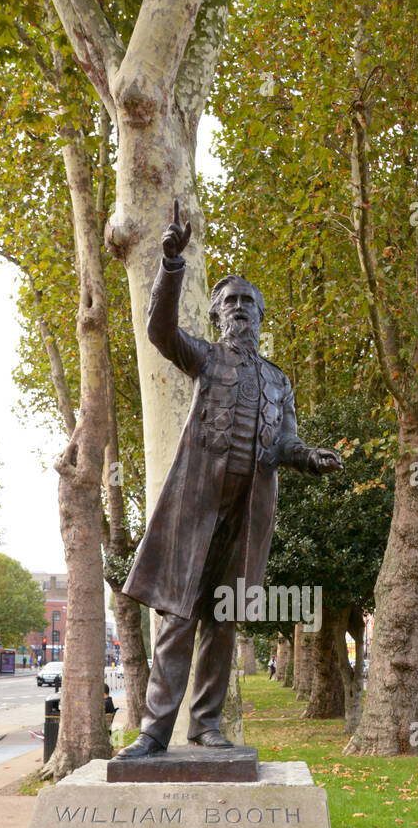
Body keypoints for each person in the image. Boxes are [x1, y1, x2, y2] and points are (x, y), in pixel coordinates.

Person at [118, 201, 342, 759]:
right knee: (176, 617)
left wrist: (309, 457)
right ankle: (153, 732)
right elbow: (161, 331)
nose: (240, 310)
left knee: (221, 621)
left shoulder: (278, 381)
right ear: (218, 316)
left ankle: (207, 725)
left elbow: (284, 441)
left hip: (245, 517)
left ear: (261, 317)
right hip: (193, 510)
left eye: (249, 303)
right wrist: (172, 265)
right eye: (231, 303)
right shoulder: (205, 359)